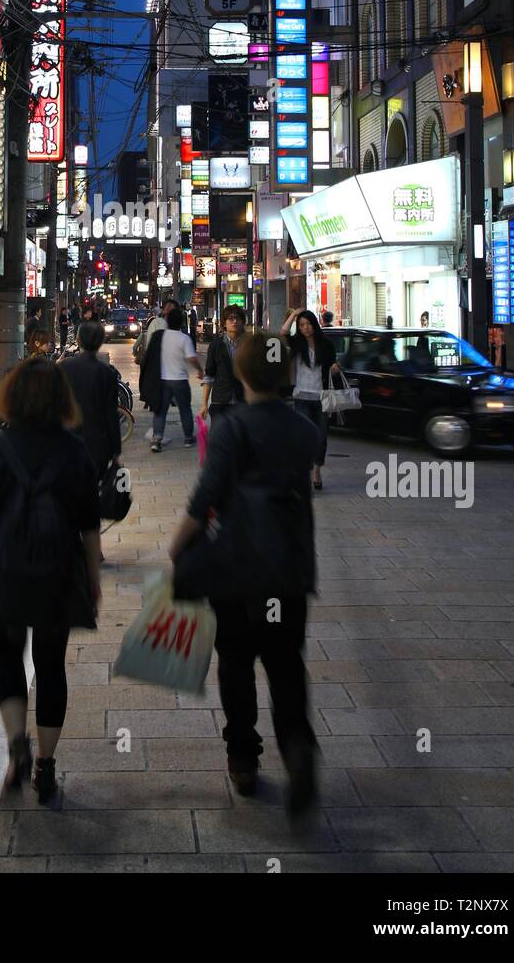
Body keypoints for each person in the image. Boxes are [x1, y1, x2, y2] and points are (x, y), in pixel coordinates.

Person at [169, 332, 319, 812]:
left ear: (243, 374)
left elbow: (205, 496)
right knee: (285, 664)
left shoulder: (233, 427)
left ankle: (243, 759)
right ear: (284, 373)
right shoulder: (302, 430)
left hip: (237, 569)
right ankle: (297, 750)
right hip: (289, 571)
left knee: (235, 662)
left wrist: (177, 547)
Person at [0, 359, 101, 803]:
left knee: (7, 657)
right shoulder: (74, 451)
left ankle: (17, 743)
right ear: (61, 399)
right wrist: (92, 582)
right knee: (51, 664)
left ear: (12, 397)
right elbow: (89, 527)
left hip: (7, 569)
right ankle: (46, 765)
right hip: (57, 571)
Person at [281, 308, 340, 491]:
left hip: (322, 397)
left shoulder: (326, 345)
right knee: (304, 436)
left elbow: (332, 365)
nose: (305, 328)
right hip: (302, 396)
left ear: (314, 324)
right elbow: (282, 332)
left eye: (308, 324)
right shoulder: (298, 344)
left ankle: (317, 470)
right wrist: (293, 315)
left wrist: (335, 368)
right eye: (301, 325)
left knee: (321, 437)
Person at [60, 321, 122, 483]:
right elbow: (111, 413)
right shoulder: (106, 373)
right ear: (100, 342)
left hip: (67, 440)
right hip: (98, 443)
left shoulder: (65, 367)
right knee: (93, 489)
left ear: (78, 340)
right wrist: (116, 449)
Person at [146, 305, 204, 453]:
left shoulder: (161, 336)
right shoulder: (184, 338)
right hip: (180, 380)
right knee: (185, 409)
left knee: (160, 411)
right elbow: (191, 358)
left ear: (167, 321)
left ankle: (157, 440)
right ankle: (188, 438)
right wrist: (199, 369)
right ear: (182, 323)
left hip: (163, 380)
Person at [201, 304, 245, 420]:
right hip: (221, 400)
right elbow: (209, 375)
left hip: (243, 401)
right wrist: (204, 404)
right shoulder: (216, 345)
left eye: (238, 318)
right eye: (230, 319)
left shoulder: (249, 344)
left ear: (242, 322)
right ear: (224, 323)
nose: (234, 321)